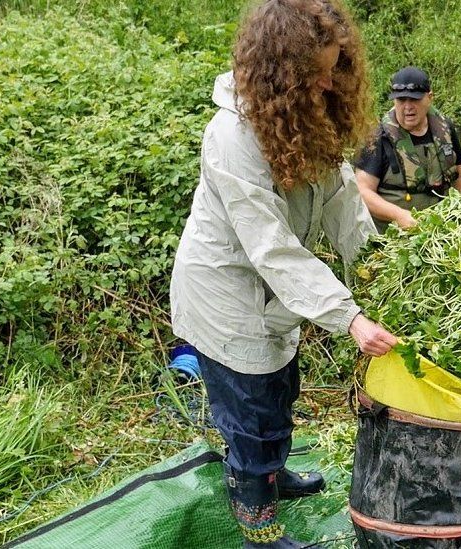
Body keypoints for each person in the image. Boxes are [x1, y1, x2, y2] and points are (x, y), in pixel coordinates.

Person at [169, 1, 397, 547]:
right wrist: (351, 317)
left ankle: (273, 472)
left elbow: (342, 197)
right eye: (316, 72)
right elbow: (270, 247)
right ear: (280, 73)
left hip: (275, 297)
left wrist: (378, 266)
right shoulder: (232, 137)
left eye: (335, 66)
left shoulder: (305, 112)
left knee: (280, 387)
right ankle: (259, 528)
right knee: (251, 413)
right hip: (227, 294)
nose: (328, 81)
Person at [354, 66, 461, 233]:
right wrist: (399, 215)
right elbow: (362, 191)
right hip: (391, 238)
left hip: (439, 232)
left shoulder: (445, 128)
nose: (408, 107)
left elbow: (460, 174)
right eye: (401, 100)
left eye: (414, 100)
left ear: (429, 98)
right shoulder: (378, 137)